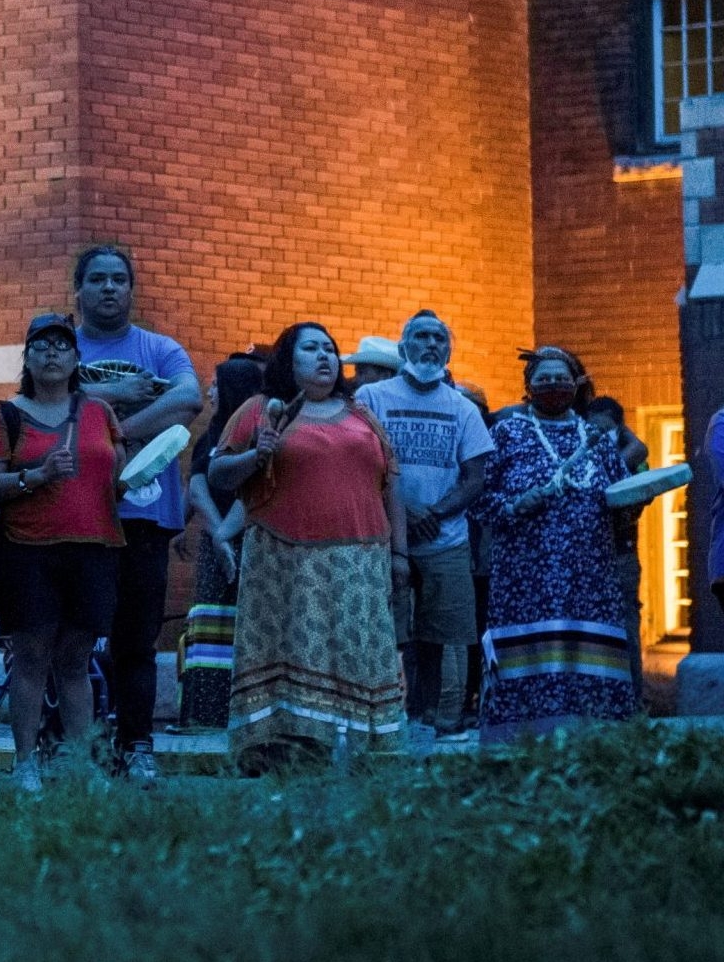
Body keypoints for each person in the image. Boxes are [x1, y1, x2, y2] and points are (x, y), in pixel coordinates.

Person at [209, 323, 406, 771]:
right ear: (287, 360)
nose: (325, 356)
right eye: (311, 348)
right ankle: (284, 755)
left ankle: (354, 753)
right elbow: (219, 474)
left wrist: (400, 556)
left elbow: (391, 483)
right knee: (292, 656)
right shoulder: (262, 410)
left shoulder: (360, 414)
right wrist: (256, 455)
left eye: (331, 349)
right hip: (285, 562)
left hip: (360, 560)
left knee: (354, 655)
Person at [0, 314, 126, 791]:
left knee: (76, 659)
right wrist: (36, 475)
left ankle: (81, 764)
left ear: (77, 358)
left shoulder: (99, 412)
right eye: (42, 346)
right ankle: (25, 765)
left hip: (94, 547)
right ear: (27, 358)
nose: (53, 353)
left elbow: (120, 473)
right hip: (29, 551)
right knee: (32, 657)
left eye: (63, 345)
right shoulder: (7, 414)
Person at [70, 245, 199, 780]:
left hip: (145, 516)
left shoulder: (160, 348)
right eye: (97, 279)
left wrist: (109, 424)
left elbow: (188, 399)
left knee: (136, 642)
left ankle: (137, 746)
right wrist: (115, 392)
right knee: (70, 639)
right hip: (73, 515)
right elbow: (38, 401)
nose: (108, 288)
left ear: (131, 289)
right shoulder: (59, 347)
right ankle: (73, 748)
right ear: (77, 290)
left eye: (119, 279)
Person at [471, 348, 638, 741]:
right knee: (528, 659)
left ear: (576, 384)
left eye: (560, 379)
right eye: (542, 379)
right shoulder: (506, 434)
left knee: (588, 656)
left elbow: (620, 499)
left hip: (589, 577)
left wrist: (634, 504)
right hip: (525, 579)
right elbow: (478, 499)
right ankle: (519, 743)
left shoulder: (595, 439)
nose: (552, 386)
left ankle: (597, 740)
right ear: (528, 386)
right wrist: (512, 506)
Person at [354, 311, 492, 738]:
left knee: (450, 633)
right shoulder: (372, 398)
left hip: (446, 539)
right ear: (403, 349)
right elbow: (360, 465)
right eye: (421, 337)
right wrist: (405, 513)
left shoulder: (463, 409)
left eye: (439, 339)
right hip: (381, 537)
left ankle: (446, 720)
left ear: (448, 351)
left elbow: (475, 477)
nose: (431, 345)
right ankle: (384, 721)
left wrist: (434, 513)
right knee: (384, 631)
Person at [177, 354, 266, 730]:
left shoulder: (260, 432)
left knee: (253, 626)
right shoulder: (210, 434)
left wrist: (227, 537)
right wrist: (218, 537)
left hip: (256, 541)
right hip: (219, 543)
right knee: (212, 625)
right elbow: (197, 484)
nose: (210, 390)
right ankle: (205, 712)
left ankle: (247, 713)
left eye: (216, 383)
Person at [585, 395, 650, 707]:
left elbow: (636, 498)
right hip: (586, 556)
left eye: (606, 430)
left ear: (620, 428)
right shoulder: (581, 455)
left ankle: (632, 701)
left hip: (621, 554)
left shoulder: (636, 459)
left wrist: (626, 454)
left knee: (625, 628)